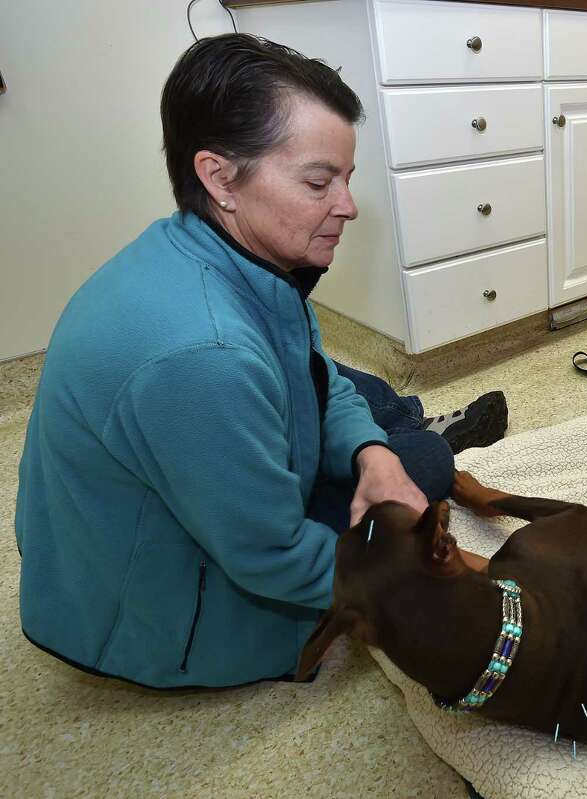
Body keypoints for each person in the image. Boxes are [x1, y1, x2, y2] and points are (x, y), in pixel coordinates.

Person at [15, 34, 506, 689]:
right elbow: (269, 558)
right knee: (428, 466)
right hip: (163, 618)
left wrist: (369, 453)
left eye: (347, 178)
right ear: (219, 176)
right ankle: (414, 434)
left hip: (173, 508)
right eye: (318, 181)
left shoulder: (219, 251)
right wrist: (457, 581)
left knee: (375, 422)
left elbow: (317, 375)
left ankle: (397, 432)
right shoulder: (204, 356)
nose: (349, 206)